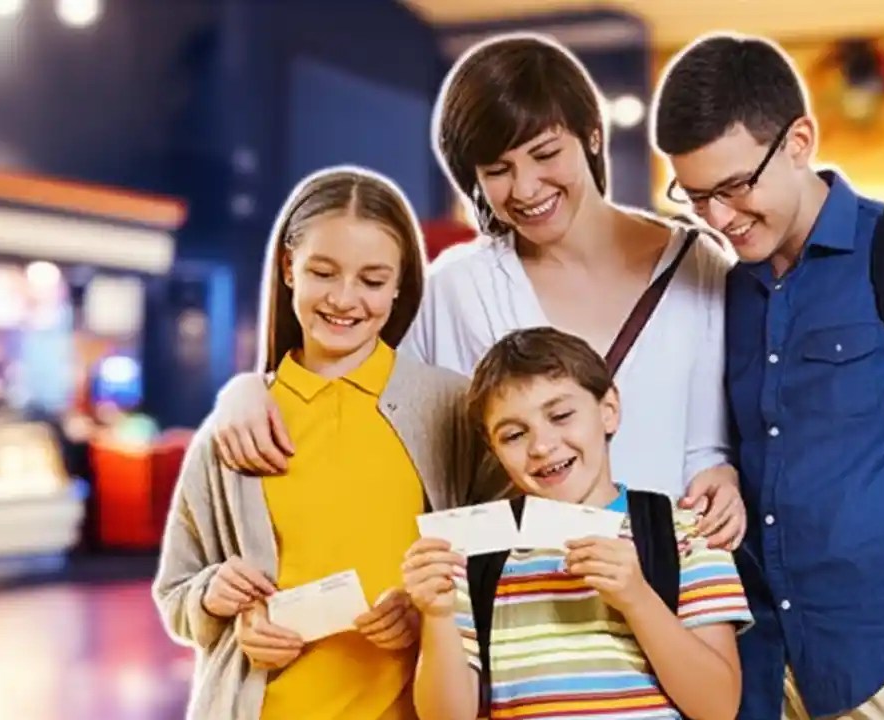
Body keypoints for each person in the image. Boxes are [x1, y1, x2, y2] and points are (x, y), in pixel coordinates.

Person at [206, 33, 747, 549]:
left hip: (672, 593)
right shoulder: (456, 289)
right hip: (521, 614)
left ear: (592, 135)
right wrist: (249, 392)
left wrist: (725, 473)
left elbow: (720, 434)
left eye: (544, 153)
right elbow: (359, 397)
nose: (527, 189)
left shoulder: (698, 267)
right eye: (498, 169)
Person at [654, 33, 884, 719]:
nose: (719, 219)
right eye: (697, 197)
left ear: (799, 140)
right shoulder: (727, 292)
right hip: (768, 673)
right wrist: (725, 470)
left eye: (734, 187)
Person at [152, 167, 500, 720]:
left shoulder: (453, 411)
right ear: (290, 269)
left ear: (399, 284)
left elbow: (504, 566)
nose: (344, 299)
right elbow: (177, 593)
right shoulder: (237, 430)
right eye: (323, 272)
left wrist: (431, 616)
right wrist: (218, 601)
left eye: (372, 279)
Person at [404, 327, 752, 719]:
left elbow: (719, 707)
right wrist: (436, 616)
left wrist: (637, 599)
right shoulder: (471, 551)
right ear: (493, 450)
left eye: (561, 415)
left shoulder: (686, 532)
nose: (541, 445)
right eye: (514, 434)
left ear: (609, 410)